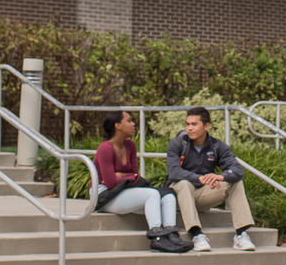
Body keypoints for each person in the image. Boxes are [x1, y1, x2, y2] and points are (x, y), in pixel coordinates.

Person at [94, 110, 190, 253]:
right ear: (118, 125)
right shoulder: (105, 149)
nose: (133, 124)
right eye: (129, 121)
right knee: (151, 195)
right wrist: (128, 177)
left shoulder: (130, 146)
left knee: (168, 195)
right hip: (105, 195)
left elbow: (134, 175)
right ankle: (157, 238)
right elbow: (110, 182)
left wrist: (121, 175)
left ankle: (171, 235)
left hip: (124, 191)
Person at [165, 107, 255, 252]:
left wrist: (221, 177)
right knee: (184, 183)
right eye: (187, 124)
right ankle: (196, 235)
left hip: (202, 195)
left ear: (206, 126)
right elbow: (174, 172)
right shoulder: (178, 144)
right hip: (178, 197)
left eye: (194, 124)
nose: (189, 128)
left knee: (235, 182)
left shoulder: (217, 146)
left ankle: (241, 235)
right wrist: (200, 178)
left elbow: (237, 170)